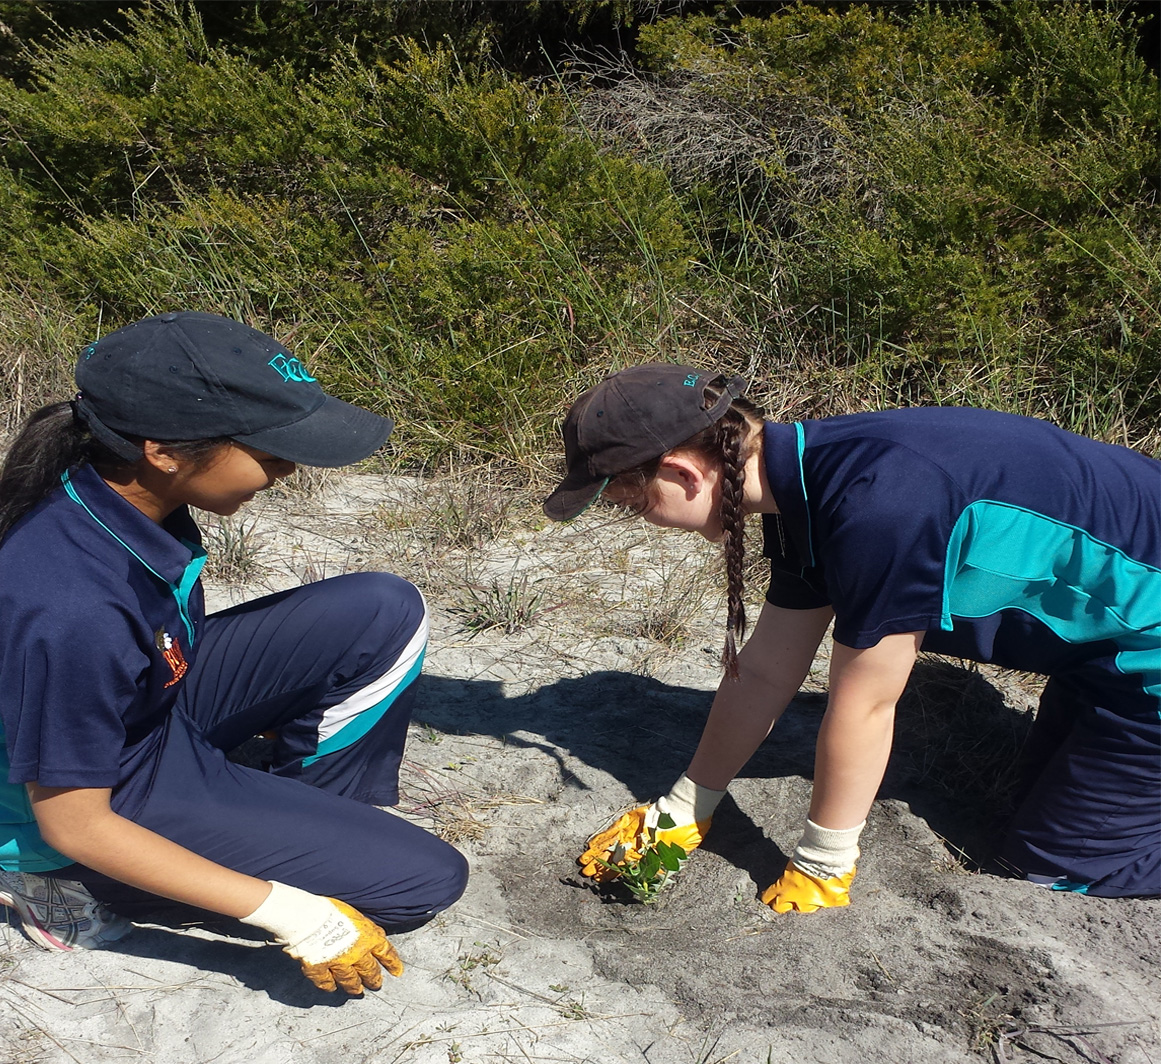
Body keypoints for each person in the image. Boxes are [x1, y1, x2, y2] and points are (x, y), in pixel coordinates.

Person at [543, 363, 1160, 908]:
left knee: (1054, 867)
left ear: (682, 473)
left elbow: (866, 703)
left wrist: (824, 859)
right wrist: (685, 806)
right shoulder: (804, 483)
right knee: (1039, 799)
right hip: (1104, 653)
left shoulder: (879, 507)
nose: (639, 519)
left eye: (631, 503)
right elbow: (766, 670)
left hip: (1147, 650)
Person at [0, 311, 467, 995]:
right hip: (89, 806)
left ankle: (292, 824)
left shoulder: (127, 498)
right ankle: (43, 884)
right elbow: (75, 823)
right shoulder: (70, 605)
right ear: (162, 450)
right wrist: (287, 909)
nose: (286, 472)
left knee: (381, 610)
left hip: (150, 712)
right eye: (272, 455)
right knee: (424, 881)